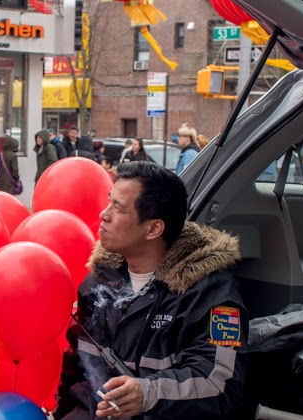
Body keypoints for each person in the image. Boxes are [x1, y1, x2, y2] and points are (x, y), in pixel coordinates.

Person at [54, 162, 247, 420]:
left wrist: (147, 394)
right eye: (109, 201)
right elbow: (77, 369)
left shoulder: (211, 295)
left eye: (118, 208)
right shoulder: (97, 283)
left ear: (154, 229)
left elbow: (219, 381)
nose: (103, 214)